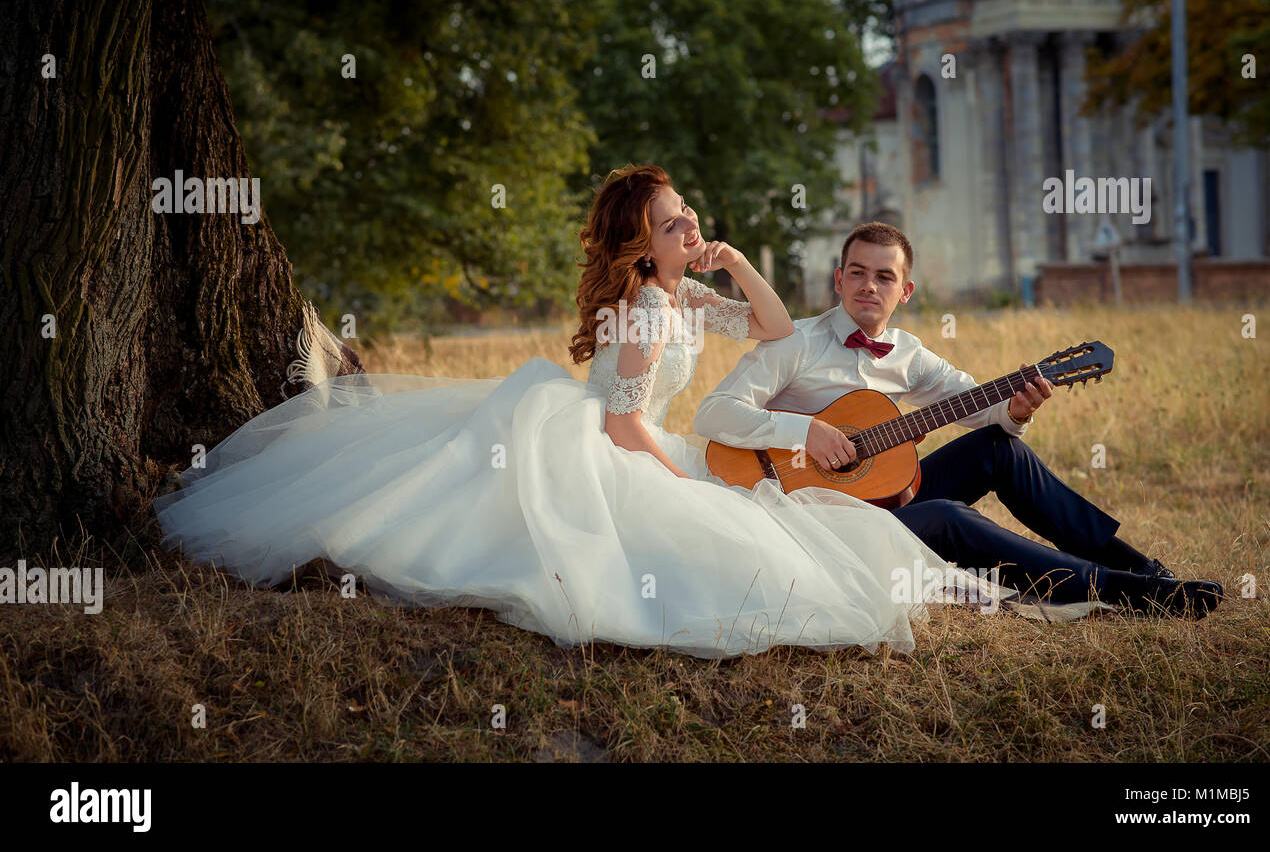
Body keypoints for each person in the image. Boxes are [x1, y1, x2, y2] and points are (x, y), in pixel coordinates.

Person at [153, 166, 1021, 661]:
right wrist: (683, 476)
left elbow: (775, 326)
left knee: (756, 512)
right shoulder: (645, 308)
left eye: (690, 215)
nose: (691, 227)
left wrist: (731, 259)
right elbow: (618, 424)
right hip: (610, 437)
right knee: (718, 528)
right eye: (675, 223)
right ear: (643, 243)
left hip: (638, 427)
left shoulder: (681, 300)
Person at [694, 221, 1224, 619]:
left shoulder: (910, 354)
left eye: (885, 277)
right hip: (813, 526)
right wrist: (805, 429)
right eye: (857, 273)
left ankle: (1140, 568)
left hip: (883, 507)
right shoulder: (795, 343)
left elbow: (973, 399)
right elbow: (714, 412)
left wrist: (1015, 410)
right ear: (838, 279)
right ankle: (1114, 590)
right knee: (946, 516)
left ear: (906, 292)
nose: (868, 286)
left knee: (1000, 447)